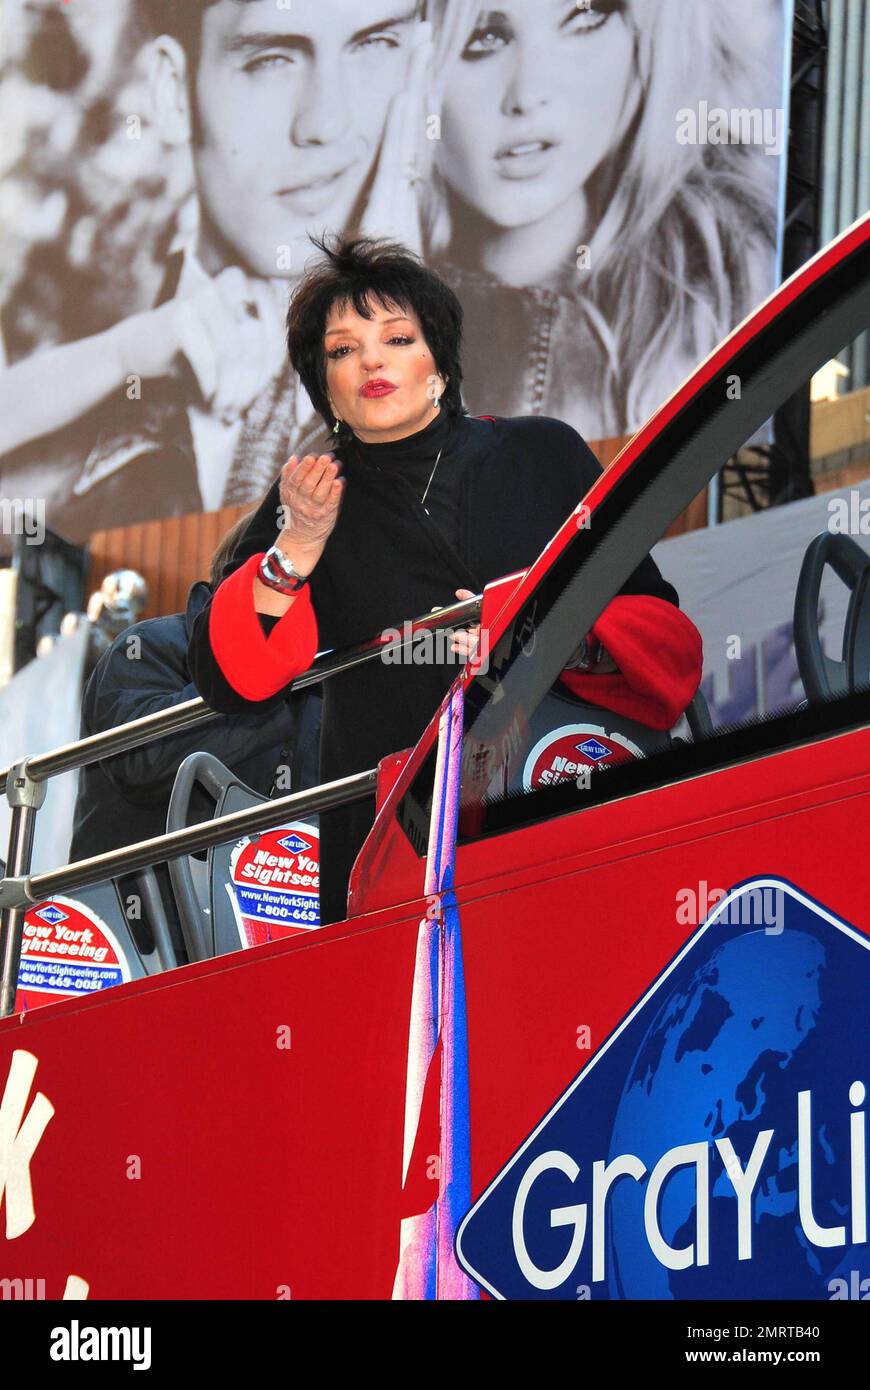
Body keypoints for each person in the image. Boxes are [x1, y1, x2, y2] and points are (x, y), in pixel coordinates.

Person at [189, 235, 703, 926]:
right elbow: (230, 680)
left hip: (568, 797)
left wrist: (536, 636)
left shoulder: (543, 453)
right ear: (326, 391)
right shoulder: (304, 504)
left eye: (397, 338)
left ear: (439, 361)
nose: (371, 359)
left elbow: (665, 639)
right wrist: (296, 550)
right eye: (341, 350)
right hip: (399, 852)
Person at [0, 0, 434, 540]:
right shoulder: (73, 412)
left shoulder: (546, 355)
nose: (326, 123)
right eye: (271, 59)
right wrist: (126, 353)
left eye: (373, 45)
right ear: (171, 90)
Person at [422, 0, 780, 440]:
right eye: (483, 38)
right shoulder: (369, 302)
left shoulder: (736, 278)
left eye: (583, 18)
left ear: (647, 41)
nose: (528, 93)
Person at [70, 512, 322, 955]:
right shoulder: (145, 647)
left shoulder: (328, 680)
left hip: (281, 951)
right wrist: (264, 677)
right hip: (140, 950)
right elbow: (144, 761)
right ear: (243, 578)